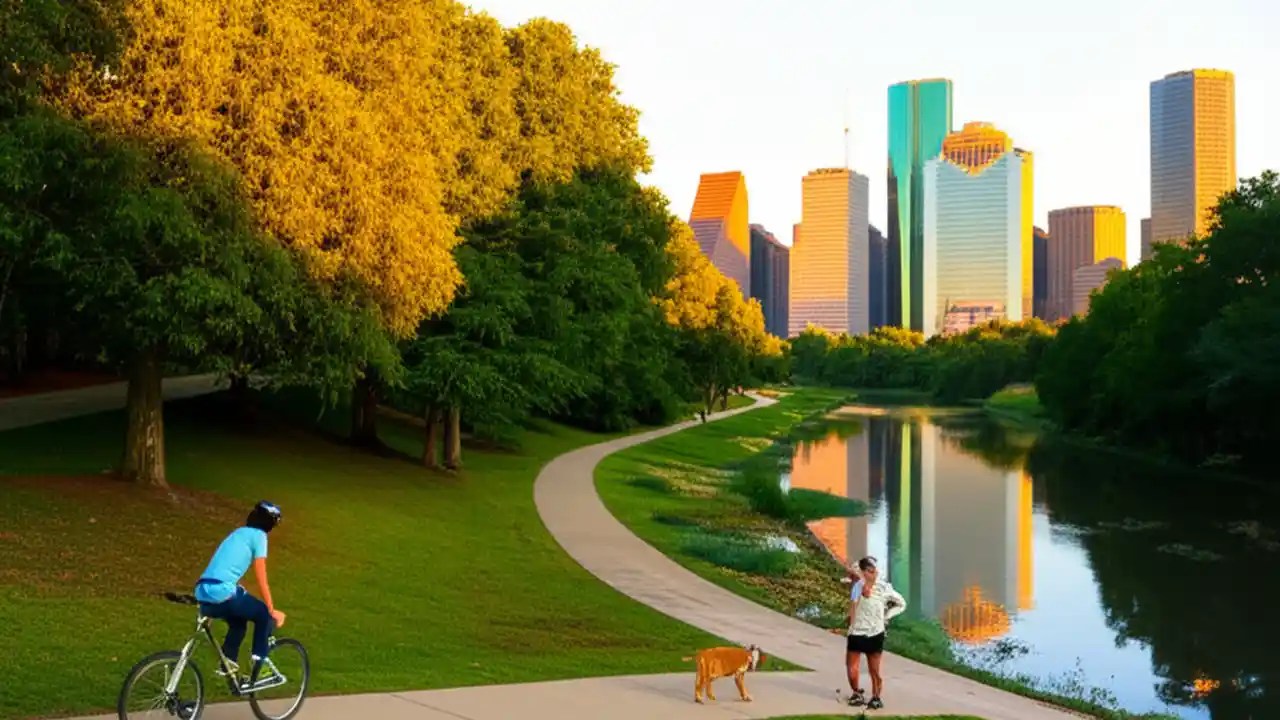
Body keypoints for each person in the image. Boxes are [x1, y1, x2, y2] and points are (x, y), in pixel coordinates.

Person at [193, 501, 287, 675]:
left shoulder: (237, 533)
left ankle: (228, 660)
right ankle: (260, 663)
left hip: (202, 591)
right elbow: (261, 576)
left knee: (238, 623)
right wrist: (271, 609)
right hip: (223, 592)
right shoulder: (259, 536)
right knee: (263, 614)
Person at [845, 555, 906, 709]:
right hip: (863, 632)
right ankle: (865, 695)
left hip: (869, 633)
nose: (874, 574)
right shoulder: (859, 586)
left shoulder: (880, 588)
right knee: (861, 670)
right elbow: (901, 604)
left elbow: (901, 604)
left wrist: (886, 616)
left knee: (868, 669)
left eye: (874, 571)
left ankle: (867, 696)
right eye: (871, 570)